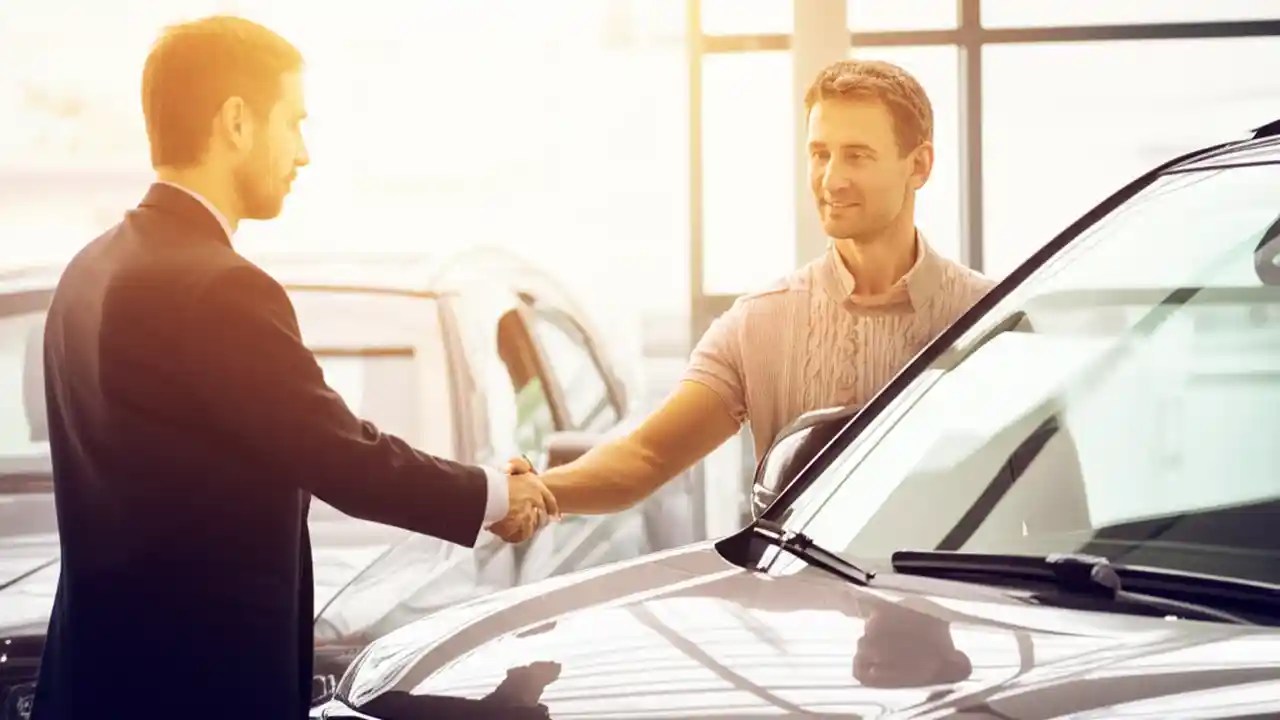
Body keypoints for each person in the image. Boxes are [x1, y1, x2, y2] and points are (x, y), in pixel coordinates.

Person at [31, 16, 553, 720]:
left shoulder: (86, 271)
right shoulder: (219, 287)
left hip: (89, 685)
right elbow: (338, 454)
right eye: (294, 122)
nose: (302, 153)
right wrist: (493, 496)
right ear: (237, 123)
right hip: (196, 693)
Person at [494, 58, 994, 540]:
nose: (831, 179)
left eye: (857, 156)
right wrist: (536, 489)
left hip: (953, 614)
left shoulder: (994, 319)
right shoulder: (760, 323)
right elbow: (646, 457)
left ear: (920, 164)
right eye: (820, 154)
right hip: (801, 614)